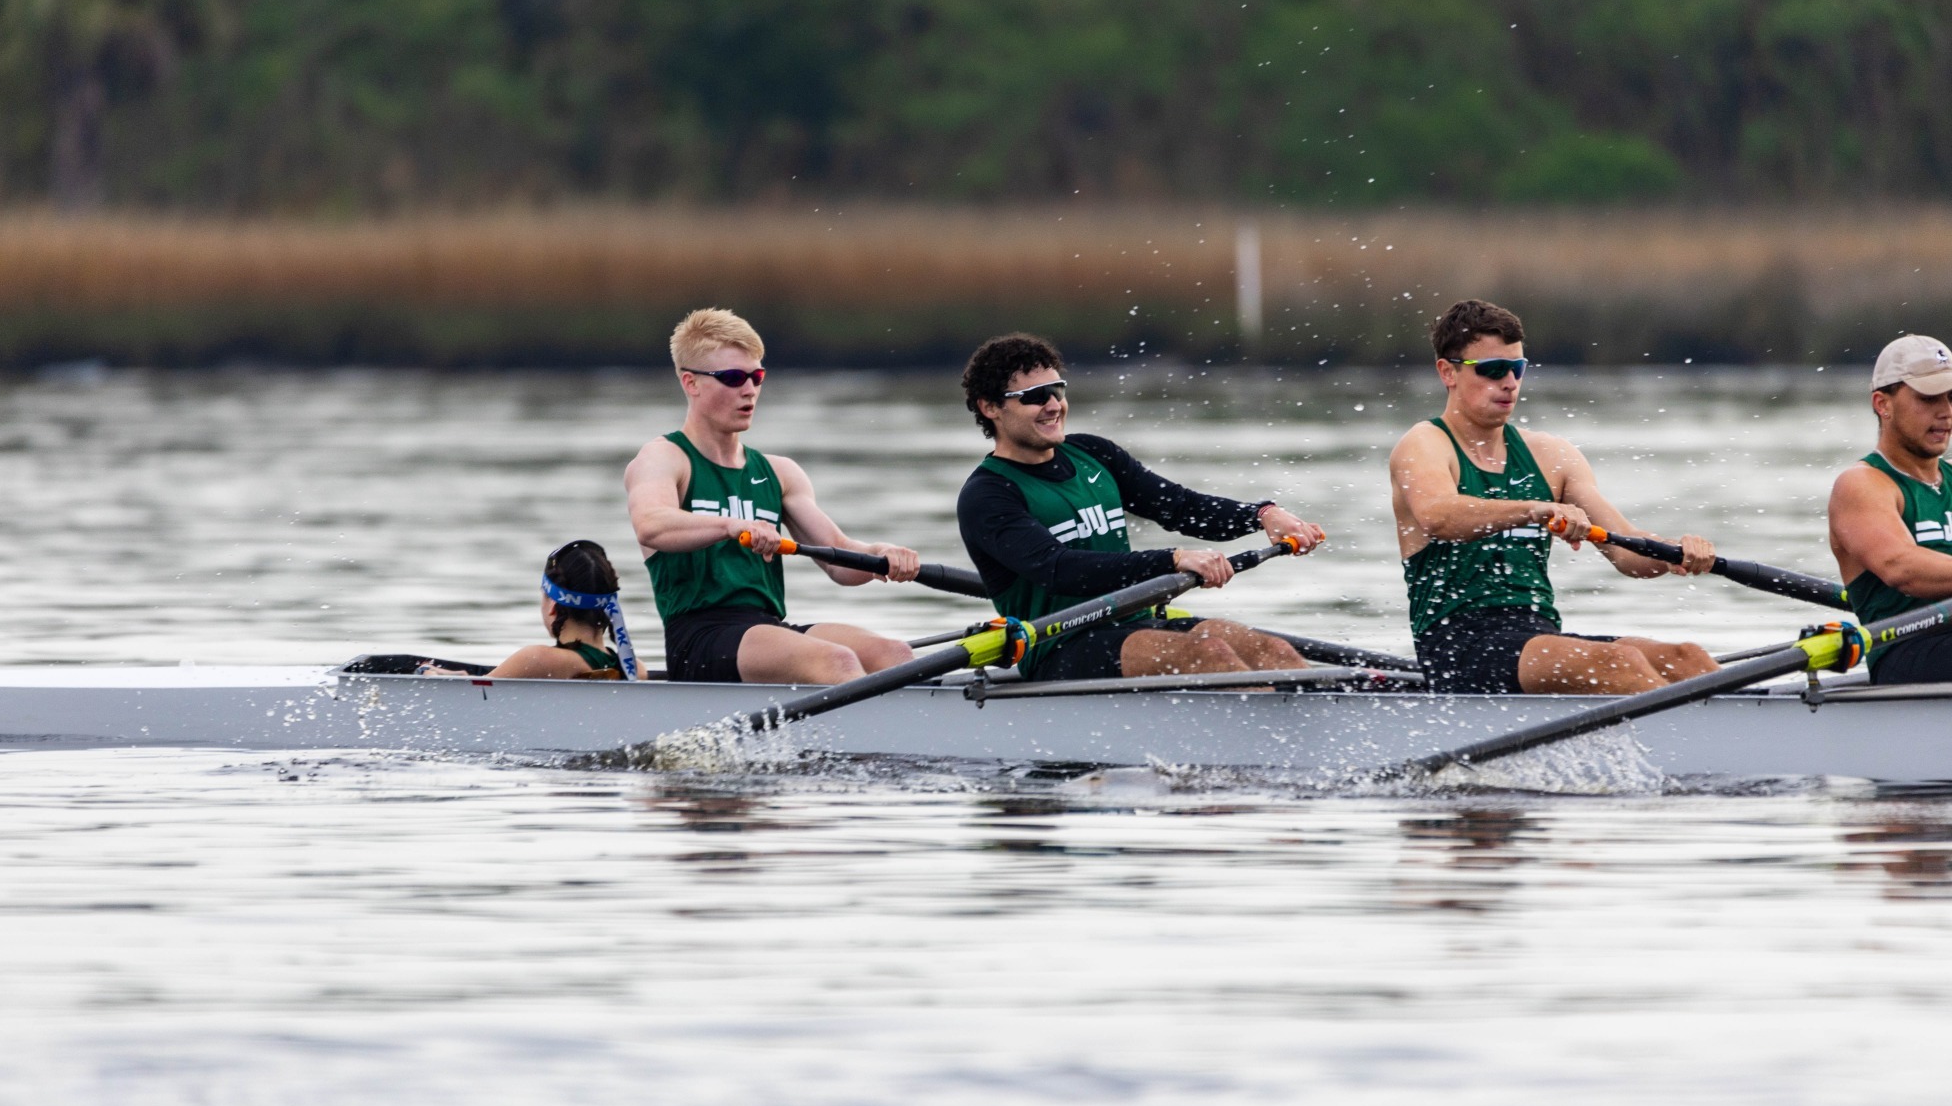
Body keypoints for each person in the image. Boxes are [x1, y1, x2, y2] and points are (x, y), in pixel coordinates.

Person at [1388, 299, 1720, 695]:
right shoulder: (1424, 444)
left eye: (1518, 368)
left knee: (1686, 658)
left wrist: (1672, 552)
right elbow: (1439, 517)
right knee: (1619, 662)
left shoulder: (1551, 456)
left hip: (1537, 637)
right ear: (1448, 372)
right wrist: (1533, 510)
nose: (1509, 382)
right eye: (1493, 370)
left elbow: (1626, 553)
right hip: (1456, 647)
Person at [955, 332, 1325, 681]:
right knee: (1210, 655)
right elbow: (1060, 569)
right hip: (1060, 644)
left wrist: (1262, 515)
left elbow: (1179, 507)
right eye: (1035, 396)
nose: (1054, 405)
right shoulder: (987, 495)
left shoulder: (1092, 453)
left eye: (1057, 390)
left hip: (1138, 622)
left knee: (1272, 650)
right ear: (991, 407)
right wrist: (1173, 560)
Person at [625, 308, 922, 684]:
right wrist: (732, 526)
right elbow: (651, 525)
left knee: (894, 654)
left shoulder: (779, 473)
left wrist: (881, 553)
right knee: (838, 662)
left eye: (756, 376)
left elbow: (838, 559)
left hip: (767, 629)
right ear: (691, 383)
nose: (749, 390)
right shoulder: (665, 458)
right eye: (732, 378)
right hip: (699, 638)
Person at [1827, 333, 1952, 683]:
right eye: (1928, 398)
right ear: (1883, 404)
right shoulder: (1863, 485)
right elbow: (1902, 568)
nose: (1946, 411)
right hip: (1906, 653)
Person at [425, 540, 642, 680]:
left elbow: (475, 697)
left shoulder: (537, 659)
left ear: (553, 607)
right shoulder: (636, 671)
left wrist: (435, 678)